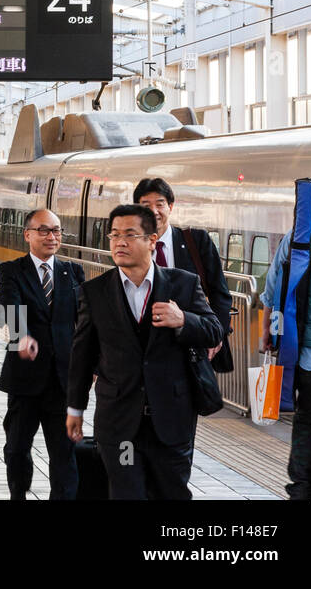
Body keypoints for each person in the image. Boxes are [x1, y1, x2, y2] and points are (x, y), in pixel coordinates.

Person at [66, 204, 223, 499]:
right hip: (120, 427)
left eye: (129, 235)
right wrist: (75, 407)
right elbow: (82, 354)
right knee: (127, 492)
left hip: (171, 422)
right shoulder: (95, 292)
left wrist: (183, 320)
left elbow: (214, 330)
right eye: (113, 235)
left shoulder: (184, 285)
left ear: (152, 240)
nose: (119, 242)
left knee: (171, 493)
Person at [0, 208, 84, 500]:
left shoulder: (72, 272)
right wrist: (21, 337)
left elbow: (84, 322)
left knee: (64, 454)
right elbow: (11, 305)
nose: (52, 236)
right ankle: (18, 494)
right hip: (25, 379)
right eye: (44, 230)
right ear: (28, 235)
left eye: (57, 230)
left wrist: (92, 364)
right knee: (17, 449)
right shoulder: (11, 270)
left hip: (63, 381)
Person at [263, 194, 311, 500]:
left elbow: (274, 289)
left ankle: (301, 490)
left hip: (308, 358)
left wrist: (269, 332)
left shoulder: (300, 235)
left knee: (307, 423)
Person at [133, 177, 233, 371]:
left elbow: (220, 293)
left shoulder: (197, 241)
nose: (154, 211)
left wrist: (216, 334)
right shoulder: (133, 248)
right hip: (148, 347)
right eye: (146, 205)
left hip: (192, 343)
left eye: (160, 204)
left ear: (170, 206)